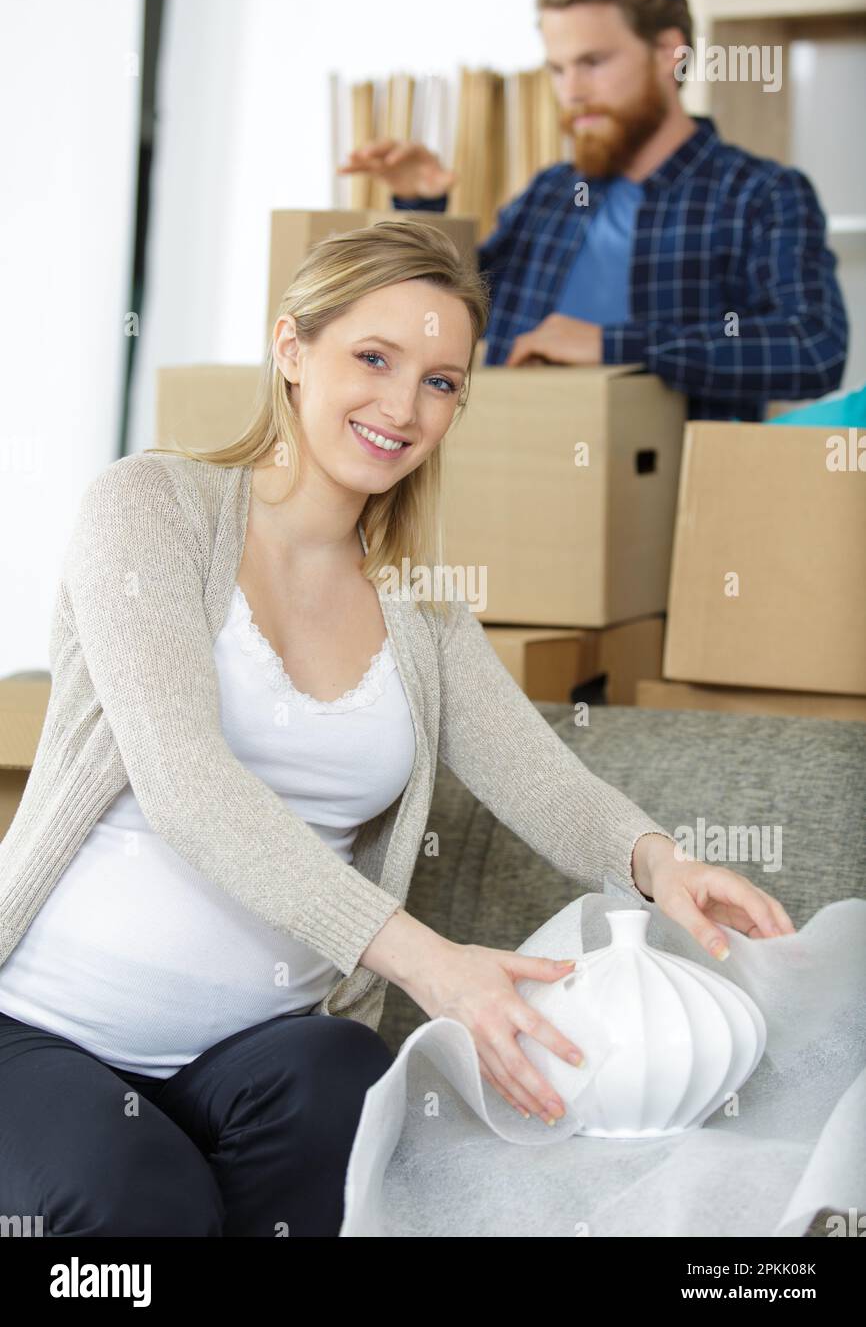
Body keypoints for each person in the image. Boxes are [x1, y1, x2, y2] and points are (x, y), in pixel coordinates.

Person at [0, 221, 794, 1238]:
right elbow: (183, 780)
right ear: (291, 350)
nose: (402, 406)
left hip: (251, 1049)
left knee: (345, 1078)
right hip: (44, 1029)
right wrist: (426, 959)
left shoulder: (420, 610)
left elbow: (542, 780)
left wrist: (660, 863)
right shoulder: (149, 506)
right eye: (372, 358)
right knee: (135, 1199)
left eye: (440, 381)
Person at [339, 0, 848, 423]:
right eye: (558, 69)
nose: (572, 91)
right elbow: (449, 310)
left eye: (593, 62)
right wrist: (423, 203)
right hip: (512, 479)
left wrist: (611, 345)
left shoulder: (760, 194)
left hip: (673, 503)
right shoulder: (551, 194)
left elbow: (814, 347)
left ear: (669, 52)